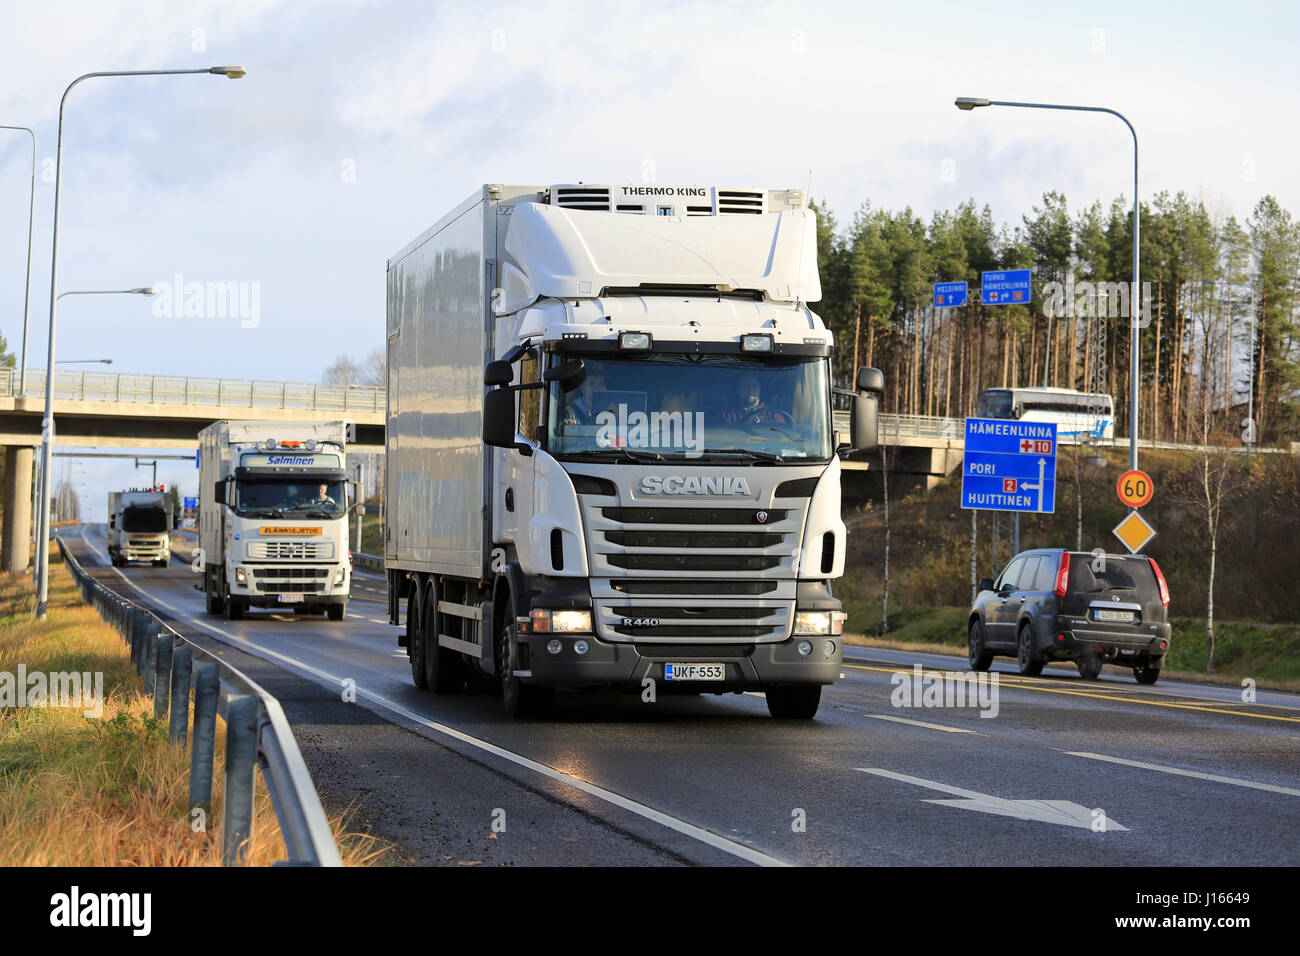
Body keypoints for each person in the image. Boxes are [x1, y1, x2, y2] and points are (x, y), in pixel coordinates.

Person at [720, 372, 790, 425]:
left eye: (754, 386)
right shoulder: (726, 416)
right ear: (737, 389)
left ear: (760, 389)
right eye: (745, 385)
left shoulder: (776, 417)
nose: (750, 389)